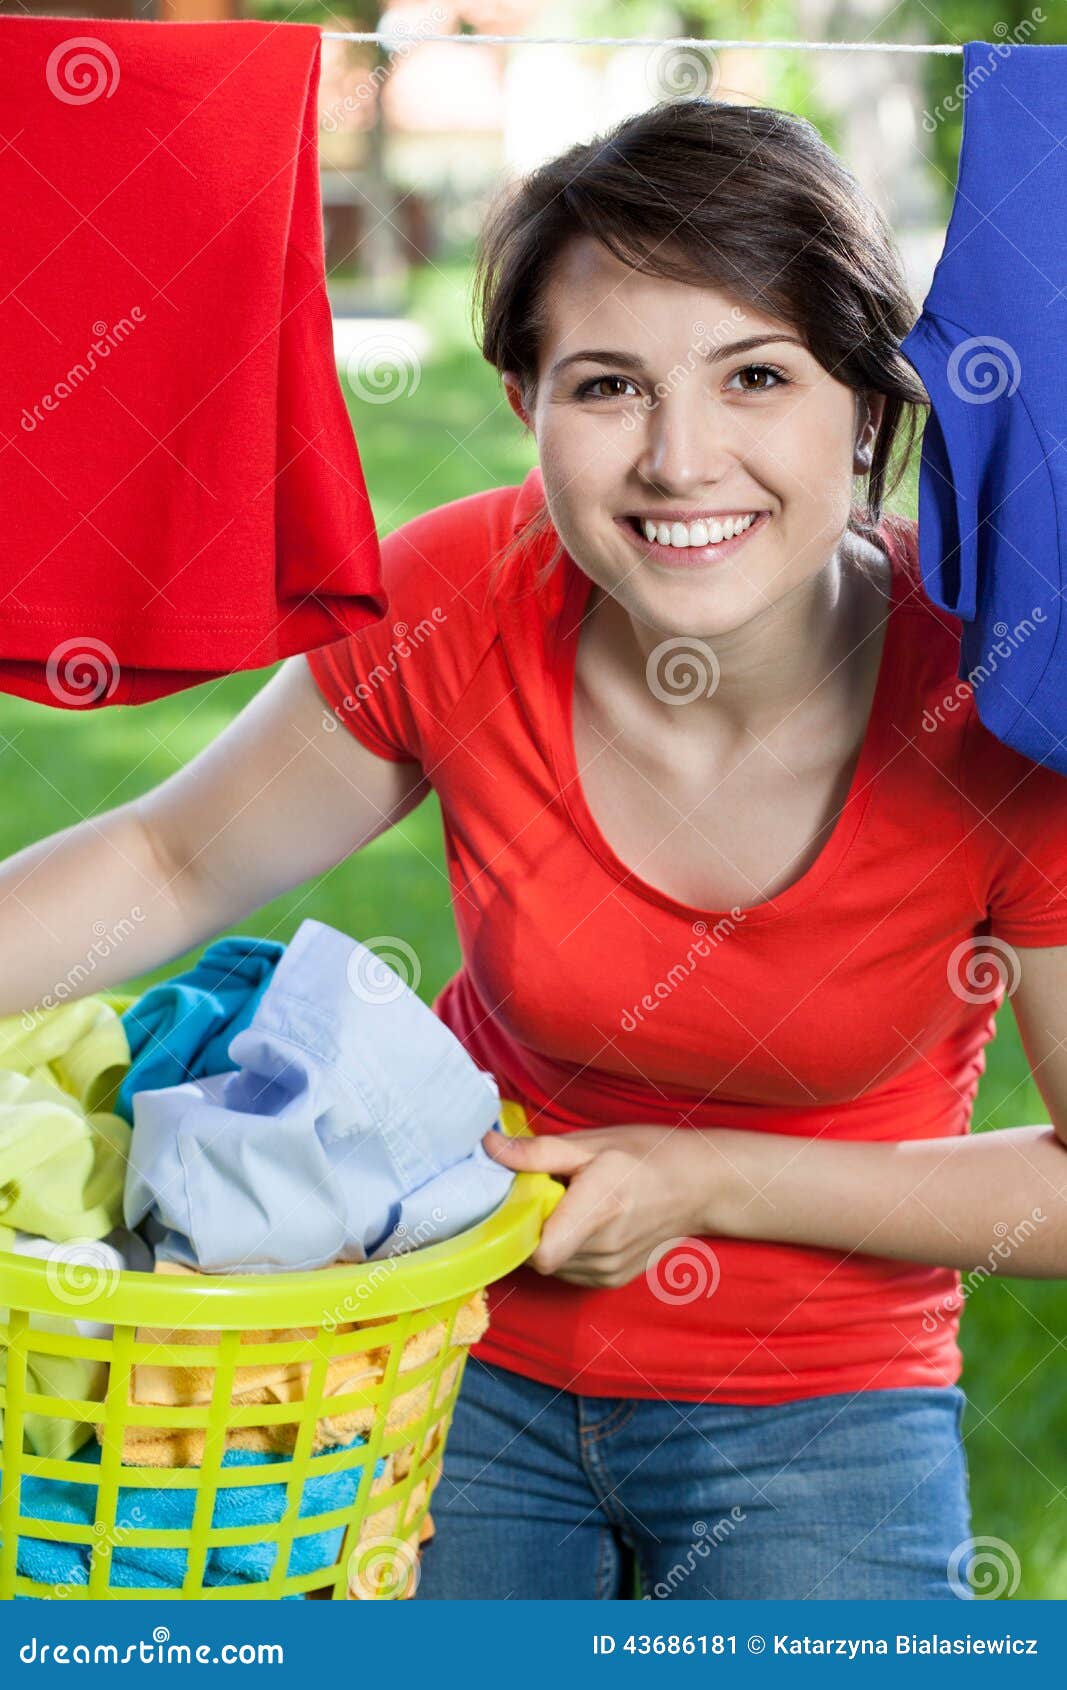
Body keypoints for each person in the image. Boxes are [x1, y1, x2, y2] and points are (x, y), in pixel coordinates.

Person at [3, 98, 1067, 1602]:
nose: (682, 459)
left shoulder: (1000, 689)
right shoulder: (464, 591)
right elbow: (171, 866)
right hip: (442, 1348)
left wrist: (706, 1182)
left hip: (826, 1400)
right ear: (525, 403)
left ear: (869, 399)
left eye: (756, 375)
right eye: (608, 385)